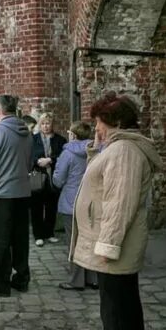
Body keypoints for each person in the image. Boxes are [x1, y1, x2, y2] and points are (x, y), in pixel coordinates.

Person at [72, 92, 161, 330]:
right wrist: (97, 149)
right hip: (120, 243)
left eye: (100, 122)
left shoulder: (124, 151)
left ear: (116, 123)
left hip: (116, 245)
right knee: (126, 304)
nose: (96, 127)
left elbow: (119, 204)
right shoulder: (119, 148)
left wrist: (108, 246)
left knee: (115, 310)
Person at [0, 94, 33, 297]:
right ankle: (21, 278)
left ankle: (1, 284)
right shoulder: (26, 133)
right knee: (20, 239)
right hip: (22, 192)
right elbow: (29, 163)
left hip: (1, 195)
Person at [54, 121, 98, 291]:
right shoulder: (96, 151)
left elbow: (58, 180)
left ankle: (76, 280)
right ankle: (93, 278)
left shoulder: (68, 153)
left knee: (74, 241)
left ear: (73, 134)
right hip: (92, 199)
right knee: (90, 239)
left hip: (71, 200)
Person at [29, 113, 66, 247]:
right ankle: (38, 235)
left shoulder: (60, 140)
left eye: (48, 123)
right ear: (40, 125)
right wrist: (37, 161)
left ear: (52, 124)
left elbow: (63, 157)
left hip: (53, 176)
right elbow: (28, 156)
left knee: (51, 206)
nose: (45, 126)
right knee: (36, 207)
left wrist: (50, 159)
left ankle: (49, 233)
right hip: (37, 175)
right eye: (43, 123)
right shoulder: (33, 139)